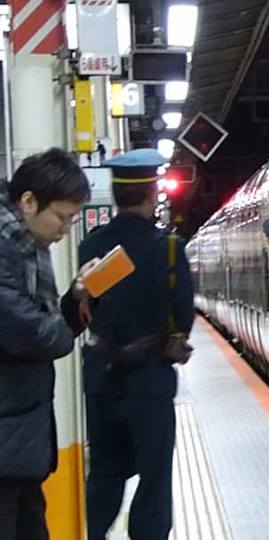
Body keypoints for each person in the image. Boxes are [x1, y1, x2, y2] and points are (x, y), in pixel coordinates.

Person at [75, 149, 194, 540]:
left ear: (115, 194)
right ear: (151, 193)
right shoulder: (168, 248)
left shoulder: (91, 245)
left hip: (101, 377)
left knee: (104, 474)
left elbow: (85, 307)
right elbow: (183, 315)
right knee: (154, 479)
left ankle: (93, 534)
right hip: (150, 380)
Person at [0, 149, 92, 540]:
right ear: (28, 202)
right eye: (62, 217)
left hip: (19, 442)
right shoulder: (8, 251)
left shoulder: (27, 249)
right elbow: (37, 334)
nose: (65, 229)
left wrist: (77, 298)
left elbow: (47, 329)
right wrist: (60, 325)